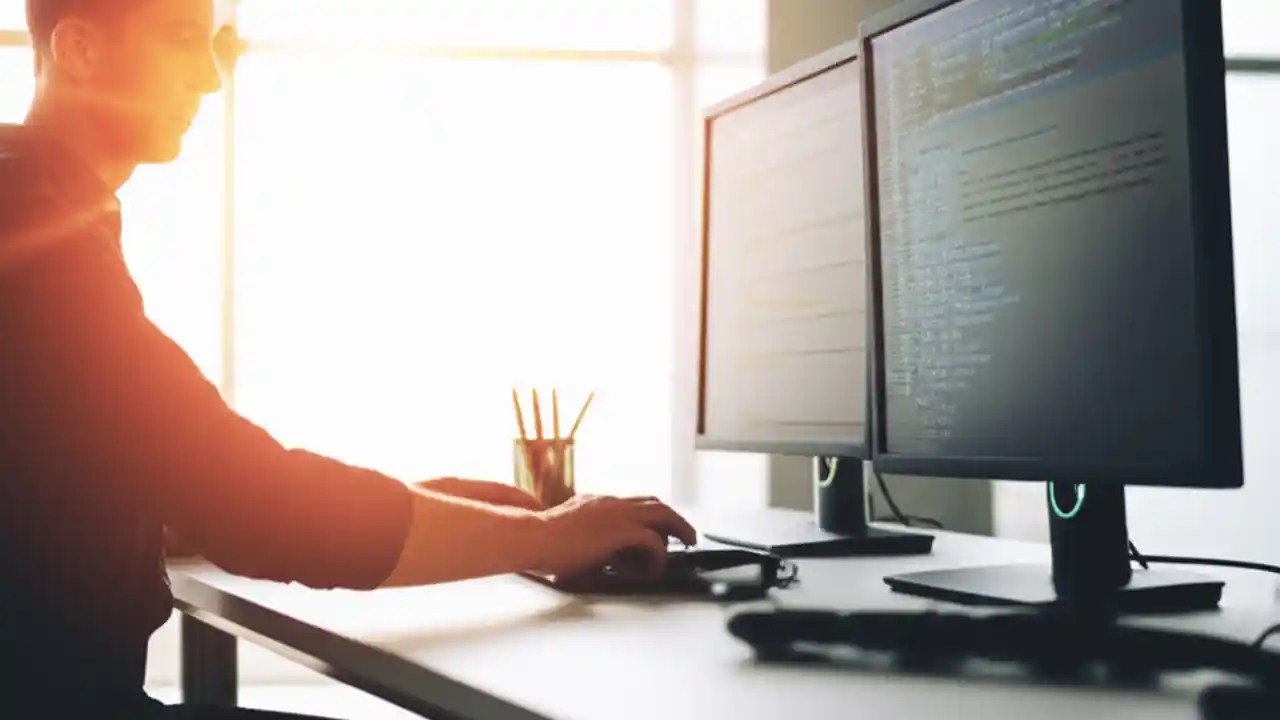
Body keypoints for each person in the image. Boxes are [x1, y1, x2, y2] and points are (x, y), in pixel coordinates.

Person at [0, 1, 697, 717]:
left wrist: (441, 513)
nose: (208, 79)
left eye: (214, 45)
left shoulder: (34, 201)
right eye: (181, 40)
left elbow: (122, 484)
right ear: (79, 51)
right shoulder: (34, 234)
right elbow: (247, 503)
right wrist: (550, 537)